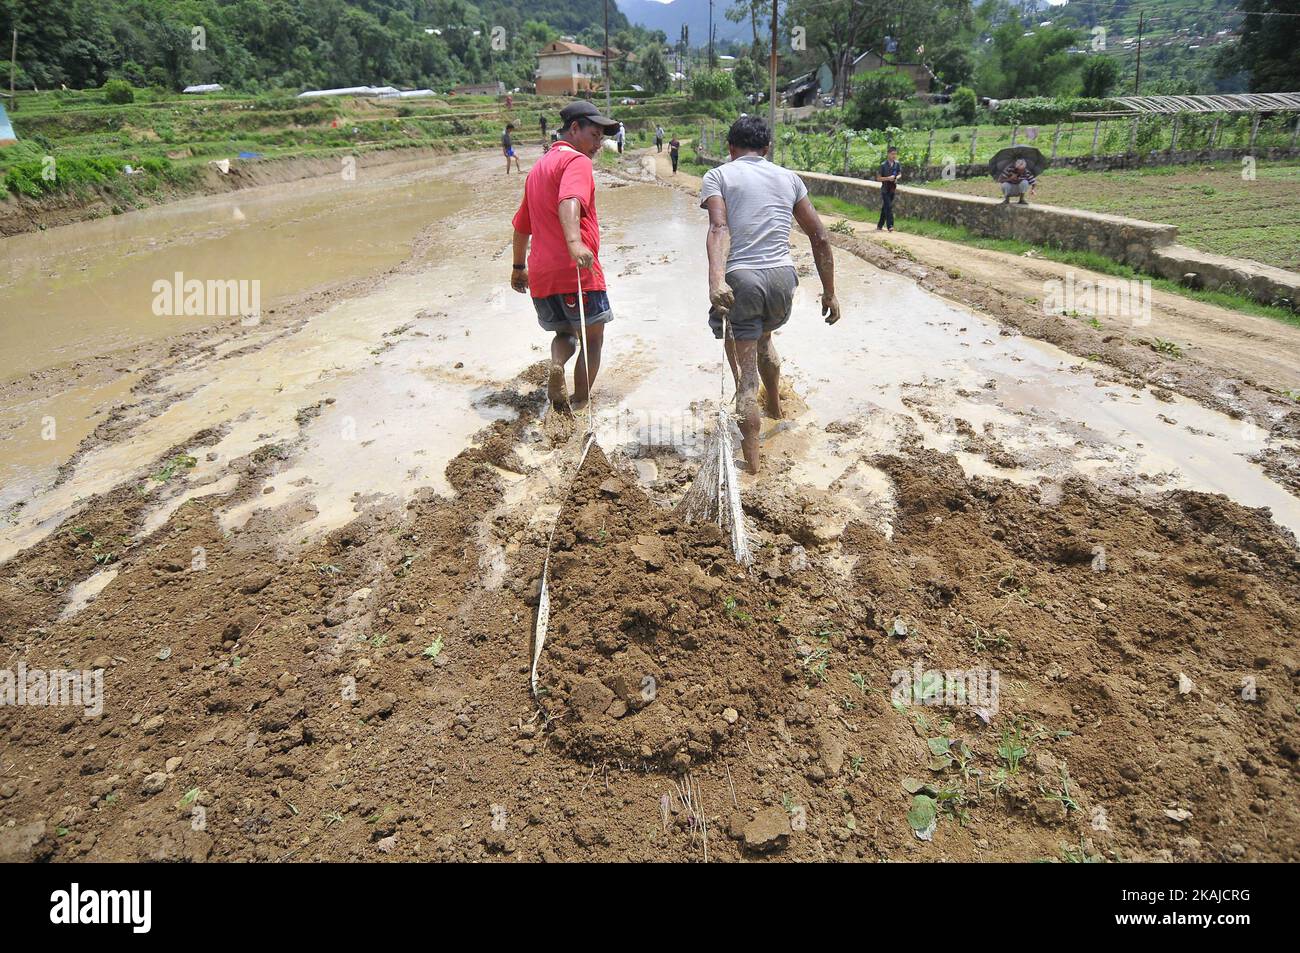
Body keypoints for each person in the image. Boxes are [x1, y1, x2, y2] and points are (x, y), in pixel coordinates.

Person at [700, 115, 841, 474]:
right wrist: (830, 294)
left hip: (743, 279)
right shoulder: (789, 178)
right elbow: (820, 236)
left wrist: (717, 281)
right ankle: (776, 409)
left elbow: (719, 228)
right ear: (766, 149)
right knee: (766, 340)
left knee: (746, 379)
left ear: (731, 149)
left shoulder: (718, 176)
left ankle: (753, 469)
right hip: (783, 279)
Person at [510, 101, 621, 412]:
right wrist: (574, 243)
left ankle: (558, 365)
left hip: (543, 276)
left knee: (564, 333)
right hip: (577, 271)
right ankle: (581, 400)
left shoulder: (537, 169)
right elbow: (569, 199)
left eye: (602, 137)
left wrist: (518, 268)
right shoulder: (577, 162)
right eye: (595, 135)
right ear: (575, 129)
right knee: (593, 339)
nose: (599, 144)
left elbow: (521, 226)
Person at [877, 145, 901, 232]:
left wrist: (896, 178)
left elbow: (899, 173)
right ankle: (890, 225)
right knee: (889, 206)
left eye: (895, 154)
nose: (894, 156)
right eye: (892, 154)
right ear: (888, 154)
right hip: (885, 189)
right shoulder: (883, 165)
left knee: (885, 207)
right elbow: (878, 178)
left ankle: (880, 225)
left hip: (892, 189)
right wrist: (888, 178)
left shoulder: (897, 164)